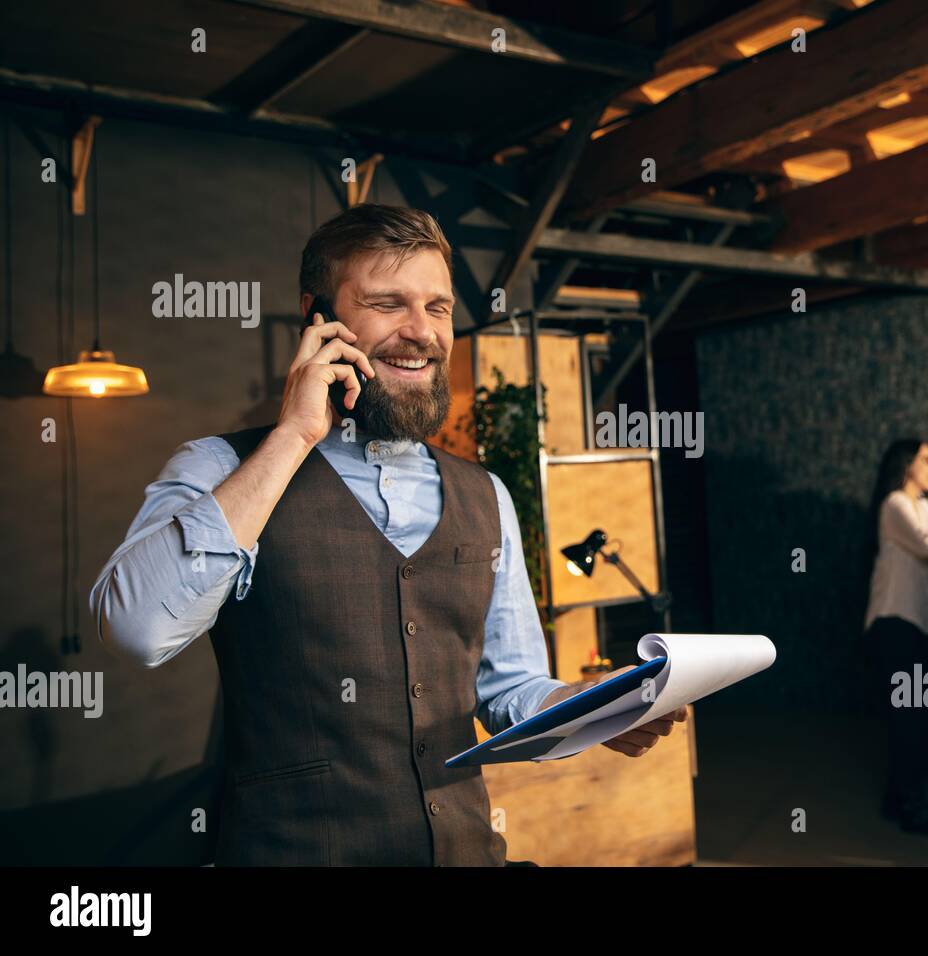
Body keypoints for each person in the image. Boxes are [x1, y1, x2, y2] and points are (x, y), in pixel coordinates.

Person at [90, 204, 685, 867]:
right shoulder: (220, 468)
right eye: (388, 304)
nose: (421, 332)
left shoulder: (486, 494)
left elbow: (511, 690)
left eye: (437, 307)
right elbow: (137, 631)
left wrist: (595, 707)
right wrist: (294, 436)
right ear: (319, 318)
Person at [863, 439, 928, 838]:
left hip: (915, 626)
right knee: (909, 720)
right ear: (907, 464)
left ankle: (898, 798)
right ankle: (912, 808)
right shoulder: (895, 504)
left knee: (921, 716)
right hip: (893, 624)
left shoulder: (922, 505)